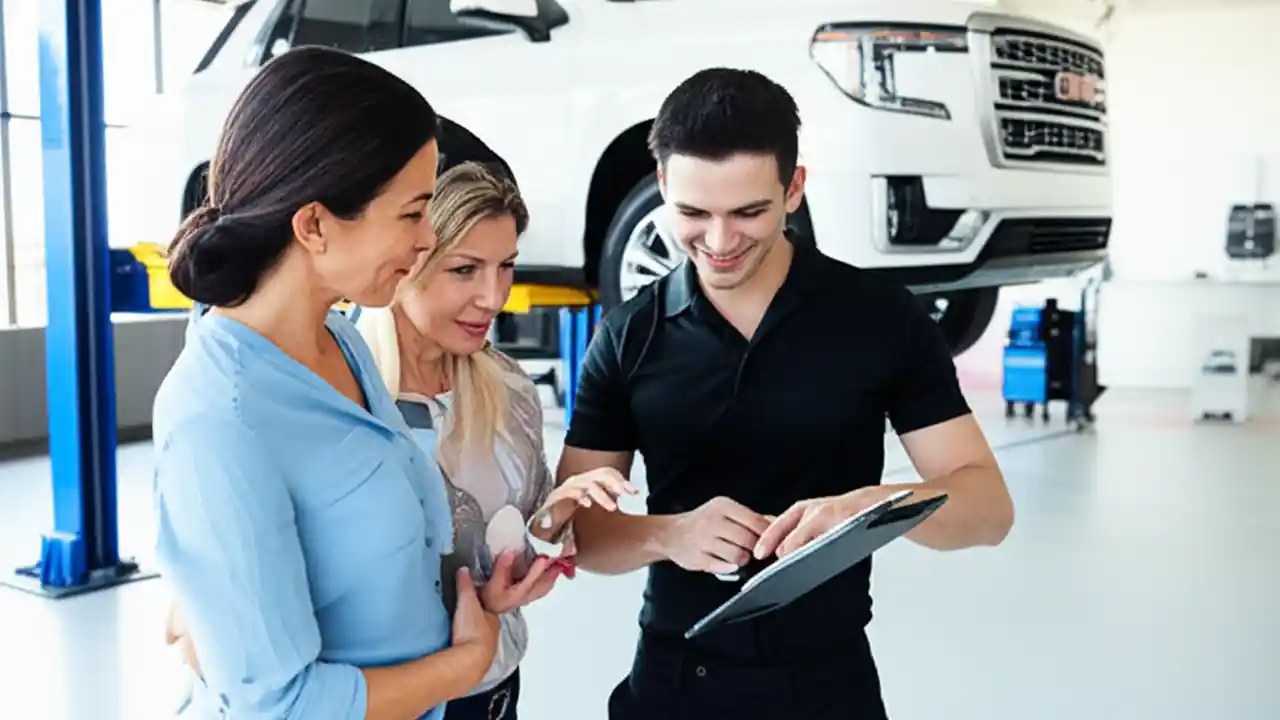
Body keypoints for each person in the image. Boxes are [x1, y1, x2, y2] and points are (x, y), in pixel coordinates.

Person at [555, 68, 1016, 719]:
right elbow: (576, 529)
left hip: (829, 683)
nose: (719, 242)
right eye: (693, 213)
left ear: (794, 188)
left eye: (748, 212)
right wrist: (669, 535)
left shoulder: (880, 318)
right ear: (662, 183)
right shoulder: (628, 335)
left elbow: (988, 510)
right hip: (673, 680)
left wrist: (871, 510)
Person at [152, 47, 501, 720]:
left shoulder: (339, 338)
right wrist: (463, 665)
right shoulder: (219, 418)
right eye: (412, 214)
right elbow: (280, 707)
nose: (428, 238)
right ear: (314, 224)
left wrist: (472, 598)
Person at [354, 160, 636, 720]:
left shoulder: (508, 390)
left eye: (506, 266)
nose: (494, 297)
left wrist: (555, 516)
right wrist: (477, 605)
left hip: (493, 692)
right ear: (405, 260)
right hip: (390, 701)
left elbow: (516, 543)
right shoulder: (344, 396)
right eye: (465, 270)